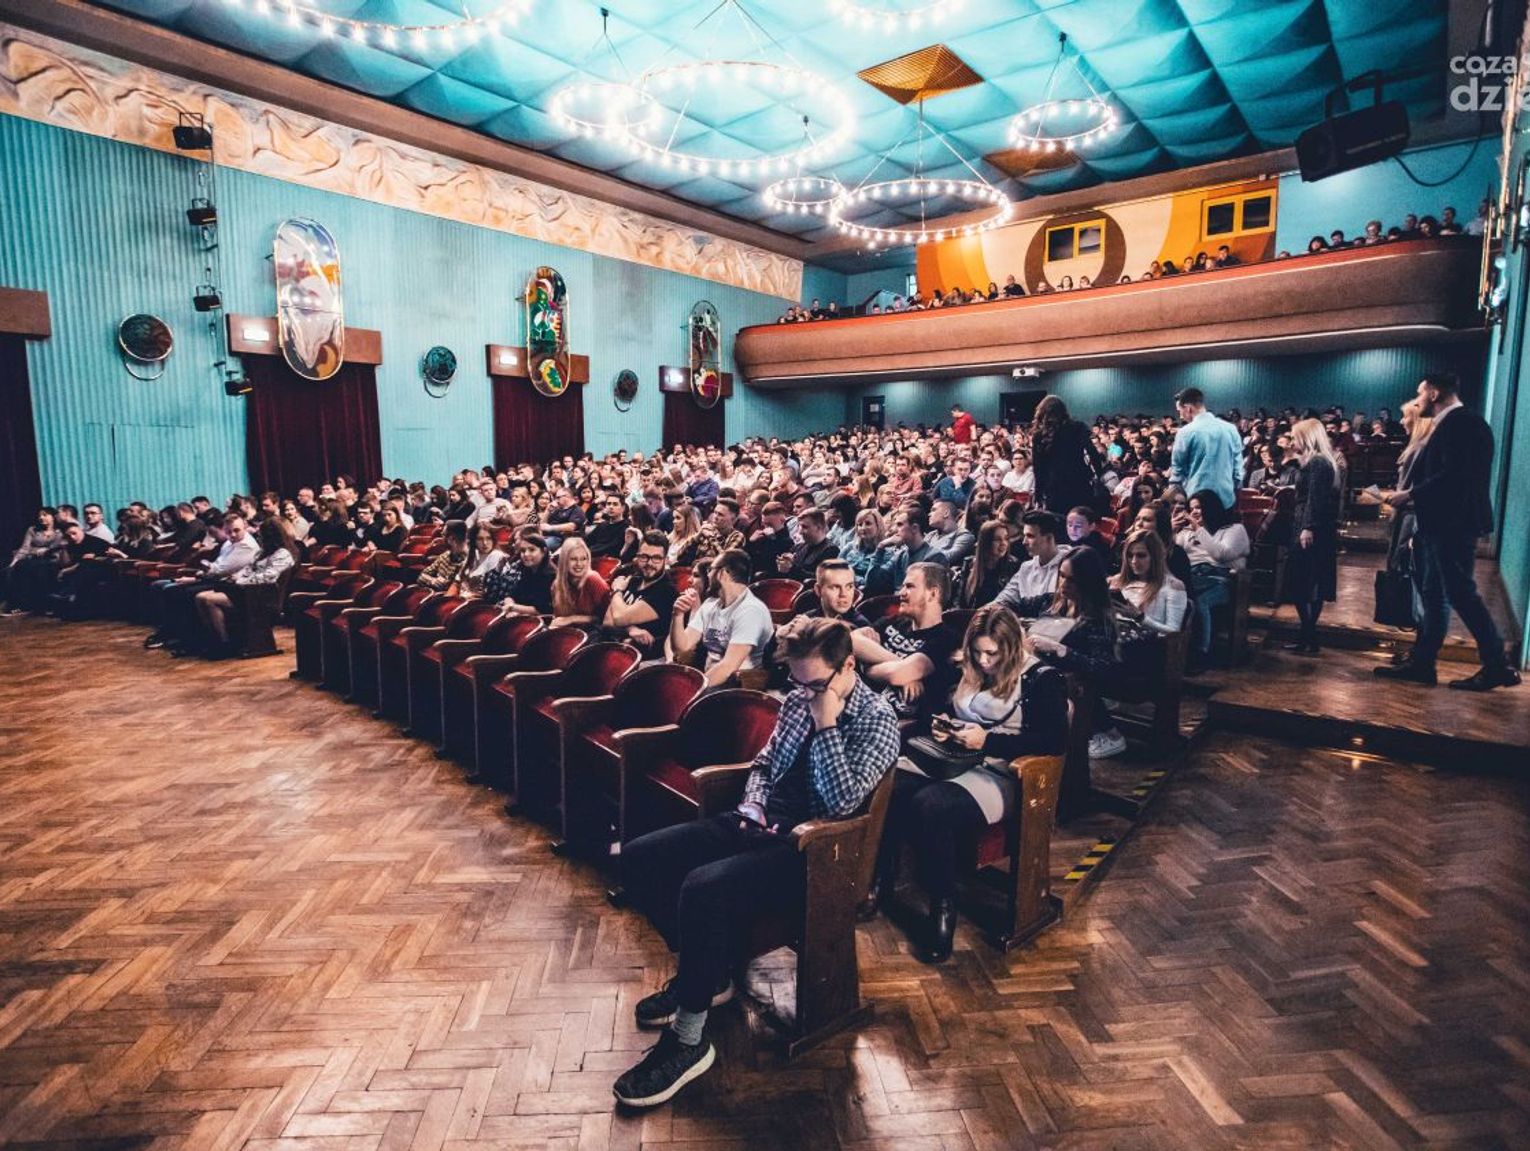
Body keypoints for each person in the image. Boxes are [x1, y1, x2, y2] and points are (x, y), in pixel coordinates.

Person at [613, 618, 898, 1108]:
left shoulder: (877, 720)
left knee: (702, 888)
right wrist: (755, 805)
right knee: (640, 857)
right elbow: (766, 764)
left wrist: (827, 724)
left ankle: (689, 1039)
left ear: (849, 666)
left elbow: (839, 805)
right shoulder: (800, 697)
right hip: (759, 824)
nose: (803, 695)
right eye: (797, 683)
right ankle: (709, 976)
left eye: (815, 685)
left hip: (811, 851)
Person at [878, 605, 1068, 962]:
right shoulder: (965, 666)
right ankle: (881, 882)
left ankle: (942, 908)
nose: (983, 661)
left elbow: (1053, 741)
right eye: (977, 652)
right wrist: (942, 724)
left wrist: (988, 741)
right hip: (956, 759)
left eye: (992, 654)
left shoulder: (1041, 679)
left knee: (931, 806)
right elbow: (938, 708)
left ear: (1011, 648)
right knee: (891, 784)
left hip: (1006, 773)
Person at [1377, 375, 1520, 690]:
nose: (1418, 399)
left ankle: (1496, 664)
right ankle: (1423, 663)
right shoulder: (1455, 424)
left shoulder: (1462, 423)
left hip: (1453, 524)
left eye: (1420, 393)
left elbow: (1454, 476)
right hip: (1442, 524)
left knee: (1459, 592)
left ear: (1434, 392)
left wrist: (1410, 495)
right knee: (1436, 594)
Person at [852, 562, 958, 727]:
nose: (901, 593)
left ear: (933, 593)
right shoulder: (895, 621)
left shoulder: (946, 638)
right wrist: (900, 664)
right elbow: (852, 640)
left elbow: (898, 674)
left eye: (909, 586)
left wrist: (865, 664)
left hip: (889, 723)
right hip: (856, 703)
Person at [190, 519, 298, 657]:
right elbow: (247, 569)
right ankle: (215, 641)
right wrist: (236, 577)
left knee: (209, 600)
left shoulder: (283, 554)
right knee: (200, 597)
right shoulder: (263, 552)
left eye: (263, 535)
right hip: (248, 591)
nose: (260, 538)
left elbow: (268, 576)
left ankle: (224, 643)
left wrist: (241, 580)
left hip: (263, 596)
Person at [670, 549, 776, 689]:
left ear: (722, 573)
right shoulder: (710, 605)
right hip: (710, 680)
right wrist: (677, 615)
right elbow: (682, 647)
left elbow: (728, 667)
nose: (708, 575)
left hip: (738, 688)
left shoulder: (751, 610)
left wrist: (694, 691)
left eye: (710, 570)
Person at [1280, 419, 1341, 654]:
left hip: (1311, 527)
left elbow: (1316, 498)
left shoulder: (1319, 462)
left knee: (1306, 580)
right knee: (1305, 582)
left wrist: (1308, 527)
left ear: (1307, 437)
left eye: (1295, 437)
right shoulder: (1313, 461)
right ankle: (1308, 635)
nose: (1291, 441)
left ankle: (1309, 635)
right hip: (1305, 523)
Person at [1174, 490, 1249, 662]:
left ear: (1212, 508)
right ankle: (1174, 650)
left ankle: (1201, 653)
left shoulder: (1234, 530)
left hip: (1220, 579)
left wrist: (1199, 530)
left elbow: (1220, 554)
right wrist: (1171, 530)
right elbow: (1172, 553)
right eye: (1191, 508)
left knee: (1200, 601)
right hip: (1192, 576)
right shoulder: (1186, 532)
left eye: (1199, 507)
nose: (1194, 512)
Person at [600, 531, 677, 654]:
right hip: (610, 643)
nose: (649, 563)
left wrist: (617, 591)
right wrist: (631, 629)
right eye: (644, 557)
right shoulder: (635, 579)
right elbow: (607, 621)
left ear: (666, 560)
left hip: (636, 655)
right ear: (638, 556)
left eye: (656, 558)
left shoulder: (666, 591)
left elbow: (619, 618)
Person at [1168, 388, 1242, 511]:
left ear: (1188, 408)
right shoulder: (1231, 429)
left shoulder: (1185, 432)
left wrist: (1173, 498)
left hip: (1195, 502)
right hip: (1227, 499)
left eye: (1179, 411)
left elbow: (1177, 471)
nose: (1180, 416)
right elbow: (1238, 469)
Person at [1029, 396, 1103, 515]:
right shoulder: (1078, 427)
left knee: (1057, 523)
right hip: (1080, 485)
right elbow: (1092, 454)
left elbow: (1038, 470)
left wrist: (1038, 494)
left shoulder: (1039, 436)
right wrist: (1097, 476)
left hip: (1054, 490)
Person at [1110, 529, 1188, 636]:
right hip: (1116, 635)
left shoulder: (1172, 585)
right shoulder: (1118, 581)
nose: (1134, 561)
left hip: (1148, 641)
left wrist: (1139, 617)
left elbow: (1173, 632)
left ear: (1155, 557)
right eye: (1130, 555)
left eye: (1141, 555)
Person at [995, 510, 1067, 609]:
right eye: (1024, 536)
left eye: (1030, 536)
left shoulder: (1068, 567)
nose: (1024, 542)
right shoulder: (1026, 568)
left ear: (1049, 538)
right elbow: (1004, 598)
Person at [484, 534, 555, 617]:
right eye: (523, 550)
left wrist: (512, 607)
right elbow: (510, 596)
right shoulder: (526, 570)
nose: (526, 554)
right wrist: (511, 608)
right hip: (517, 615)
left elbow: (542, 610)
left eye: (532, 550)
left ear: (544, 551)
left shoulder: (551, 576)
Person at [549, 537, 611, 629]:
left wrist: (572, 619)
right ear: (564, 561)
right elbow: (559, 618)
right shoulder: (557, 585)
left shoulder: (593, 580)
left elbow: (607, 619)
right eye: (573, 559)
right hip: (570, 632)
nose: (579, 564)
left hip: (595, 632)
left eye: (583, 559)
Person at [957, 520, 1020, 609]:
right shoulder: (969, 563)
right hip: (972, 615)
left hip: (1000, 615)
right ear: (986, 542)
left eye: (1006, 539)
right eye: (997, 539)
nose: (1003, 543)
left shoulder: (1013, 565)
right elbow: (960, 601)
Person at [775, 507, 839, 583]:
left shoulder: (831, 550)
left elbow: (821, 579)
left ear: (818, 527)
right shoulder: (798, 547)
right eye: (799, 526)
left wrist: (791, 568)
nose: (800, 532)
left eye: (804, 527)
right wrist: (783, 563)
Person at [415, 520, 470, 591]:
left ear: (451, 539)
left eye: (443, 535)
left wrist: (444, 584)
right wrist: (432, 580)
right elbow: (421, 576)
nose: (441, 538)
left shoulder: (470, 561)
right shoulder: (445, 555)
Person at [925, 499, 975, 568]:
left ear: (946, 513)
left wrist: (924, 555)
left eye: (933, 510)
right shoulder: (931, 535)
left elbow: (949, 557)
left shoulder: (964, 536)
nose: (929, 514)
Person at [839, 508, 884, 585]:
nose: (863, 528)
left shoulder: (885, 551)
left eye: (868, 523)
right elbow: (836, 568)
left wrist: (850, 577)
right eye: (859, 525)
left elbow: (870, 581)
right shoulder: (850, 546)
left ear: (878, 526)